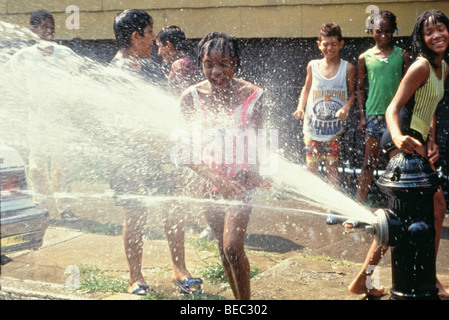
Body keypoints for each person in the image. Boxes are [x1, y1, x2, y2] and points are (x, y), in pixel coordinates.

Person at [349, 9, 449, 299]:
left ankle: (367, 281)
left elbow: (427, 105)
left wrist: (430, 140)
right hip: (400, 139)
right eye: (429, 32)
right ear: (422, 37)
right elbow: (394, 107)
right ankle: (425, 279)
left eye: (440, 29)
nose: (436, 36)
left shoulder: (443, 67)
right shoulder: (420, 65)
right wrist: (398, 137)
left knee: (421, 212)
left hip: (417, 140)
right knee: (417, 211)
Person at [179, 32, 271, 300]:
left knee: (232, 247)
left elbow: (255, 139)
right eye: (209, 64)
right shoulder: (191, 97)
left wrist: (254, 172)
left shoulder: (253, 95)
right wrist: (218, 182)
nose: (216, 71)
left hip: (240, 182)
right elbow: (185, 151)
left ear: (236, 63)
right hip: (209, 181)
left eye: (224, 63)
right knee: (222, 249)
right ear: (201, 64)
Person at [109, 9, 184, 295]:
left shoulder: (150, 67)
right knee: (136, 216)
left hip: (159, 154)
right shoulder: (114, 74)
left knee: (174, 207)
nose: (154, 39)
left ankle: (180, 270)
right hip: (128, 159)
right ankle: (135, 278)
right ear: (135, 36)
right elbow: (117, 125)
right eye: (150, 32)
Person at [1, 9, 84, 222]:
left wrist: (72, 95)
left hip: (60, 119)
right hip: (37, 120)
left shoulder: (64, 53)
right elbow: (7, 80)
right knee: (37, 166)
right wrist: (23, 99)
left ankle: (65, 208)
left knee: (62, 165)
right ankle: (40, 206)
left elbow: (83, 72)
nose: (49, 32)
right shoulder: (24, 56)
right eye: (44, 27)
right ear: (33, 29)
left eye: (52, 28)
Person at [155, 25, 205, 294]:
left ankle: (180, 265)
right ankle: (204, 225)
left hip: (184, 136)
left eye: (161, 46)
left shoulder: (179, 67)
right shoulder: (192, 62)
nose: (159, 51)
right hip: (193, 135)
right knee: (188, 187)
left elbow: (185, 103)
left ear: (170, 46)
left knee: (177, 192)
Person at [293, 23, 355, 226]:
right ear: (319, 45)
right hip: (312, 128)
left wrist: (346, 107)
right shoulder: (313, 65)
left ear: (341, 44)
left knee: (332, 168)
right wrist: (300, 107)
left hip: (333, 131)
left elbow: (353, 93)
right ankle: (319, 200)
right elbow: (306, 87)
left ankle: (332, 207)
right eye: (326, 44)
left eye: (334, 44)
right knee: (311, 168)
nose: (330, 48)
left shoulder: (348, 68)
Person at [355, 10, 410, 209]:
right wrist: (362, 116)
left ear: (395, 30)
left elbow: (408, 86)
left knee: (395, 164)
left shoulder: (402, 55)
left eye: (388, 31)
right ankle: (357, 207)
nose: (384, 35)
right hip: (374, 115)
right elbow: (360, 88)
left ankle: (397, 208)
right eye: (379, 31)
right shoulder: (365, 57)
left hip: (395, 117)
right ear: (371, 31)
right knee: (368, 163)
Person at [156, 25, 201, 95]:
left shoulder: (179, 64)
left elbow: (187, 94)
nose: (159, 53)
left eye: (159, 47)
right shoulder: (188, 59)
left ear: (168, 45)